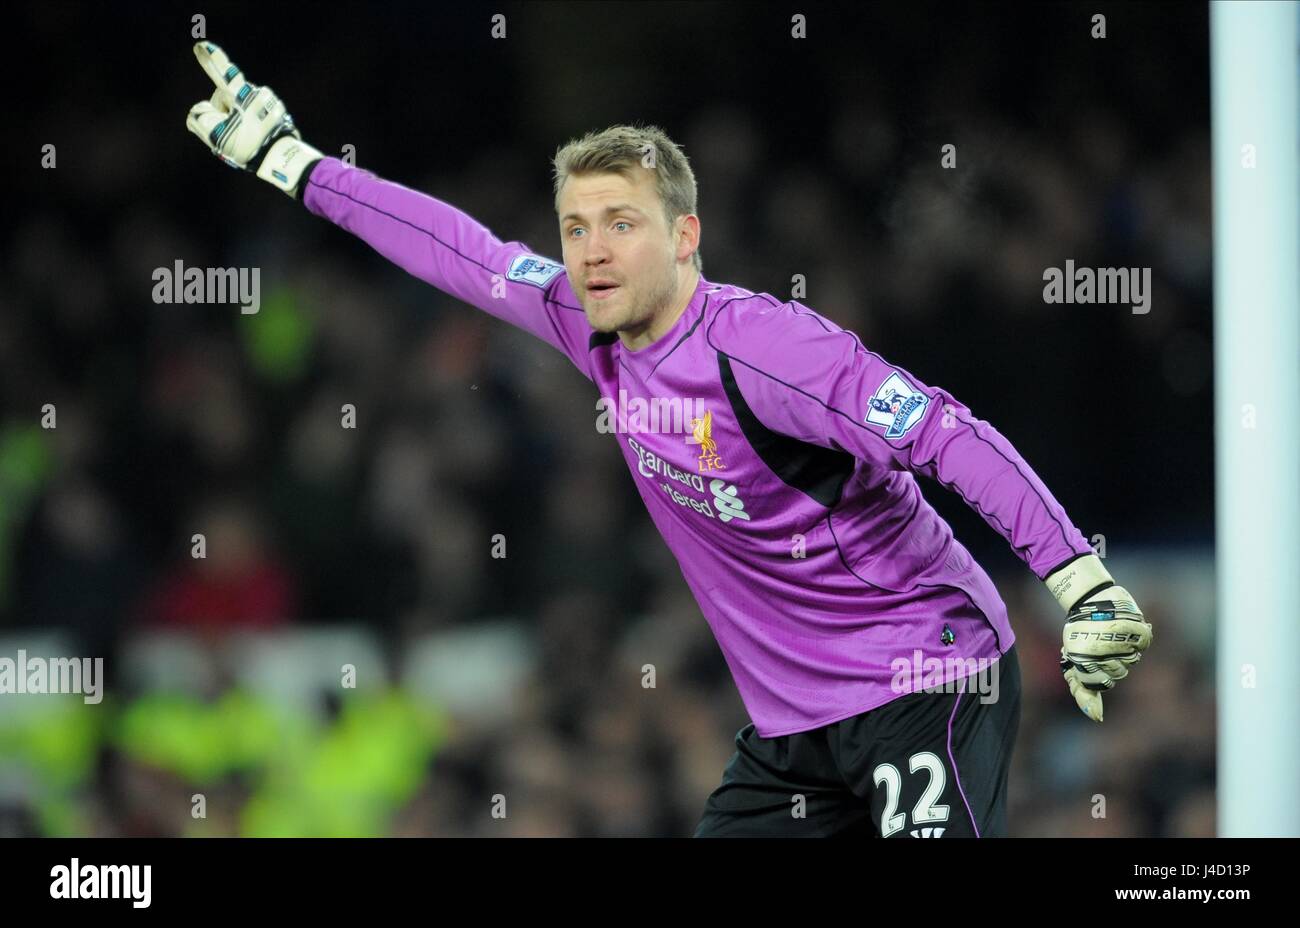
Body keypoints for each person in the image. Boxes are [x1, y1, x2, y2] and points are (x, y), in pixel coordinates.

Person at [185, 42, 1153, 837]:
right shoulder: (583, 321)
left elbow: (941, 431)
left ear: (685, 237)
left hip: (924, 674)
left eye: (620, 224)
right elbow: (463, 254)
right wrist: (294, 164)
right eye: (574, 227)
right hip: (793, 730)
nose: (591, 250)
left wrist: (1077, 576)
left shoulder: (768, 351)